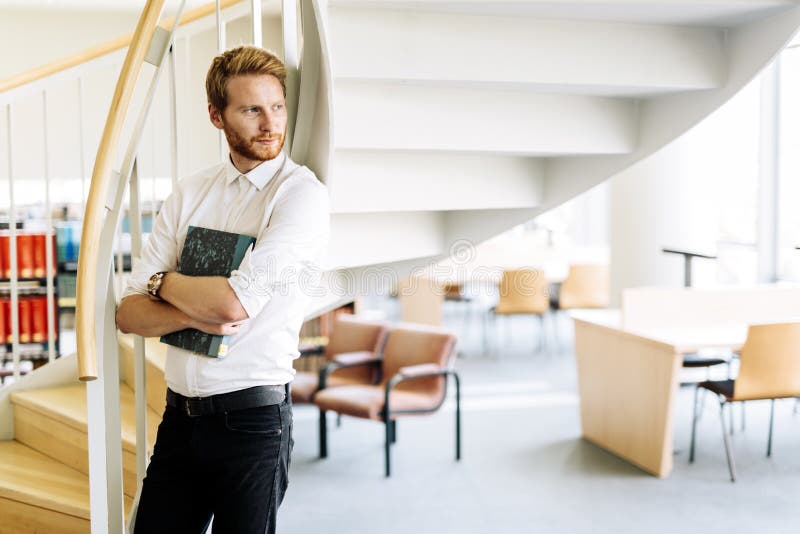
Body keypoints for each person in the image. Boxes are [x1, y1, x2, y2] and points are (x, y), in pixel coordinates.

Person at [116, 45, 330, 534]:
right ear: (217, 115)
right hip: (180, 421)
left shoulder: (300, 195)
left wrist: (162, 288)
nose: (270, 123)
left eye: (276, 107)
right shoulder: (190, 192)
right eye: (251, 109)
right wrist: (188, 301)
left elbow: (233, 304)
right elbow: (129, 314)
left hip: (252, 423)